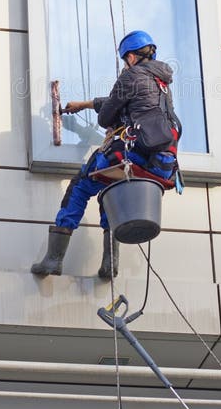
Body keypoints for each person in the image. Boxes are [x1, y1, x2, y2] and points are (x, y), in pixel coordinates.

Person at [31, 30, 182, 280]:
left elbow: (106, 117)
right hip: (161, 163)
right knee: (110, 192)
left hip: (133, 155)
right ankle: (109, 265)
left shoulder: (131, 74)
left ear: (131, 57)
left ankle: (53, 259)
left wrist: (102, 104)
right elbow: (125, 101)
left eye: (125, 60)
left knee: (80, 186)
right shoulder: (162, 82)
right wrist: (85, 104)